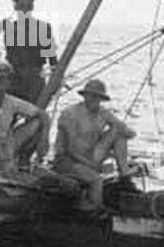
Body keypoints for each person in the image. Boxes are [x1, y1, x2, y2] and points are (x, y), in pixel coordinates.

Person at [53, 78, 136, 211]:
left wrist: (119, 125)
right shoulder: (70, 114)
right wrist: (90, 165)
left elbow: (130, 134)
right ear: (85, 95)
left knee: (119, 133)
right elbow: (70, 148)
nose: (94, 99)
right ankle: (94, 208)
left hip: (90, 156)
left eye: (97, 97)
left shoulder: (103, 113)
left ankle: (125, 175)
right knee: (96, 181)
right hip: (68, 160)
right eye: (91, 95)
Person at [0, 0, 58, 104]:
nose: (25, 8)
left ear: (32, 7)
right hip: (14, 78)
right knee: (8, 116)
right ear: (15, 6)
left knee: (35, 114)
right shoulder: (8, 27)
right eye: (22, 5)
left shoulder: (43, 28)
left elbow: (52, 57)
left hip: (35, 78)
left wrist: (56, 79)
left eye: (28, 5)